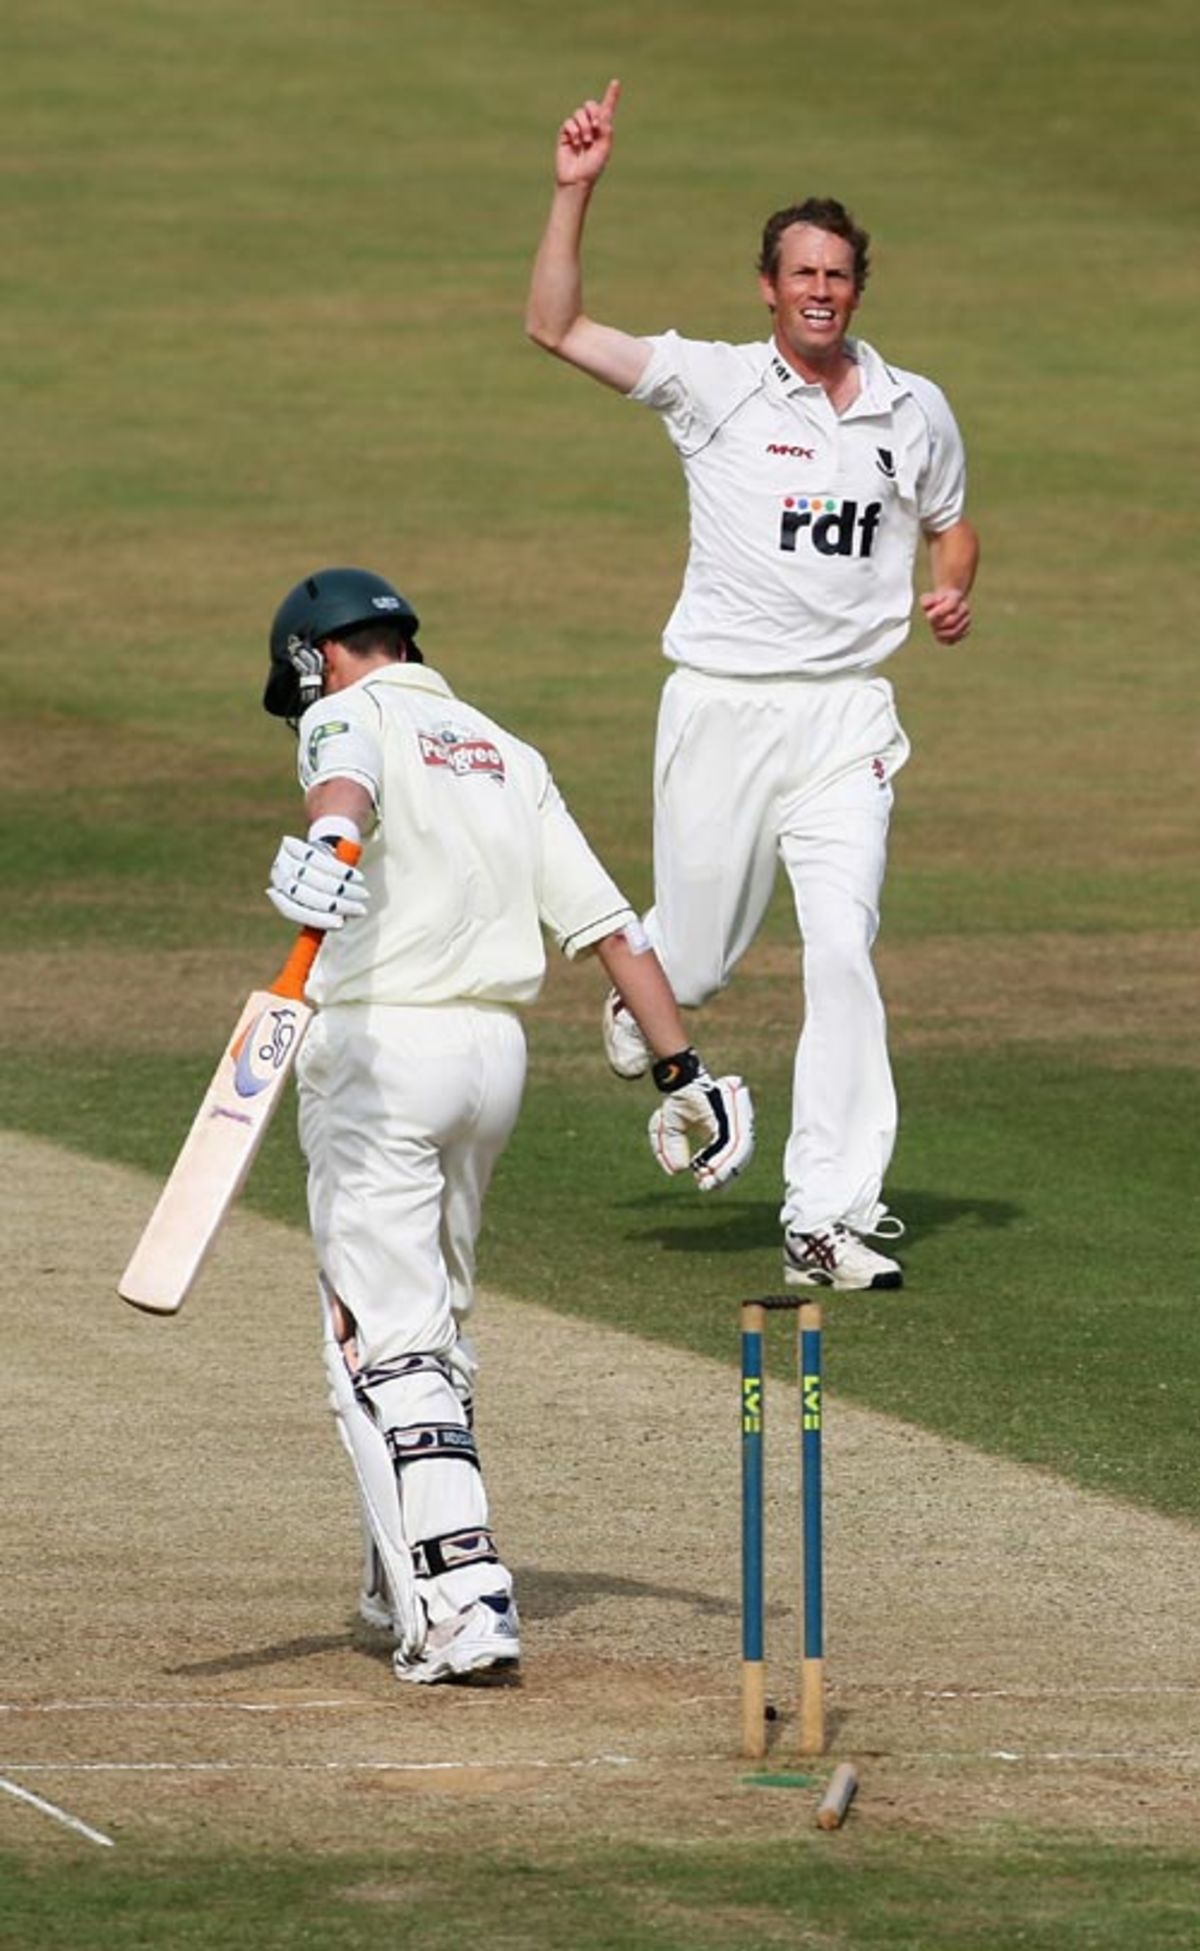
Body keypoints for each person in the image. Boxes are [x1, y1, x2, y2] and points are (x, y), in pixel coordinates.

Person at [261, 565, 754, 1685]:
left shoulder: (346, 711)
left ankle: (462, 1599)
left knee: (381, 1340)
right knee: (436, 1317)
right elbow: (612, 929)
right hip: (493, 1060)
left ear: (315, 656)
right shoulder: (502, 748)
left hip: (383, 1052)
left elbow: (343, 784)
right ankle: (403, 1574)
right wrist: (684, 1071)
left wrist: (332, 847)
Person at [526, 81, 980, 1293]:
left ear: (856, 288)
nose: (820, 291)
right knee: (705, 957)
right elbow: (558, 330)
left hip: (844, 720)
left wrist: (950, 588)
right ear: (768, 288)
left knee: (843, 951)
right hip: (723, 706)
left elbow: (952, 522)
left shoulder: (910, 406)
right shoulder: (711, 384)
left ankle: (825, 1212)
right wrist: (576, 192)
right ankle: (651, 992)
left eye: (839, 275)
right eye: (801, 275)